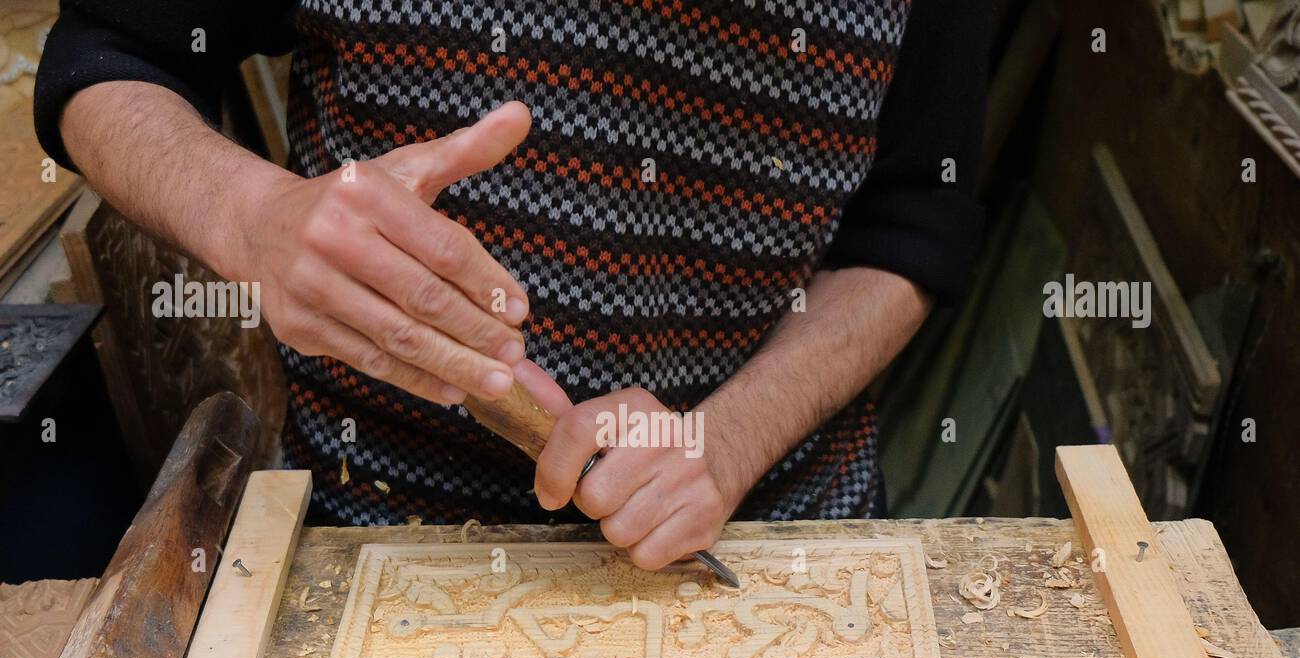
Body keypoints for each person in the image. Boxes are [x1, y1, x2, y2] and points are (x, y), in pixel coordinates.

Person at [35, 0, 987, 570]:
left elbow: (910, 227)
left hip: (760, 528)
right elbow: (103, 61)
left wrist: (728, 440)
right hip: (381, 532)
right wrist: (253, 216)